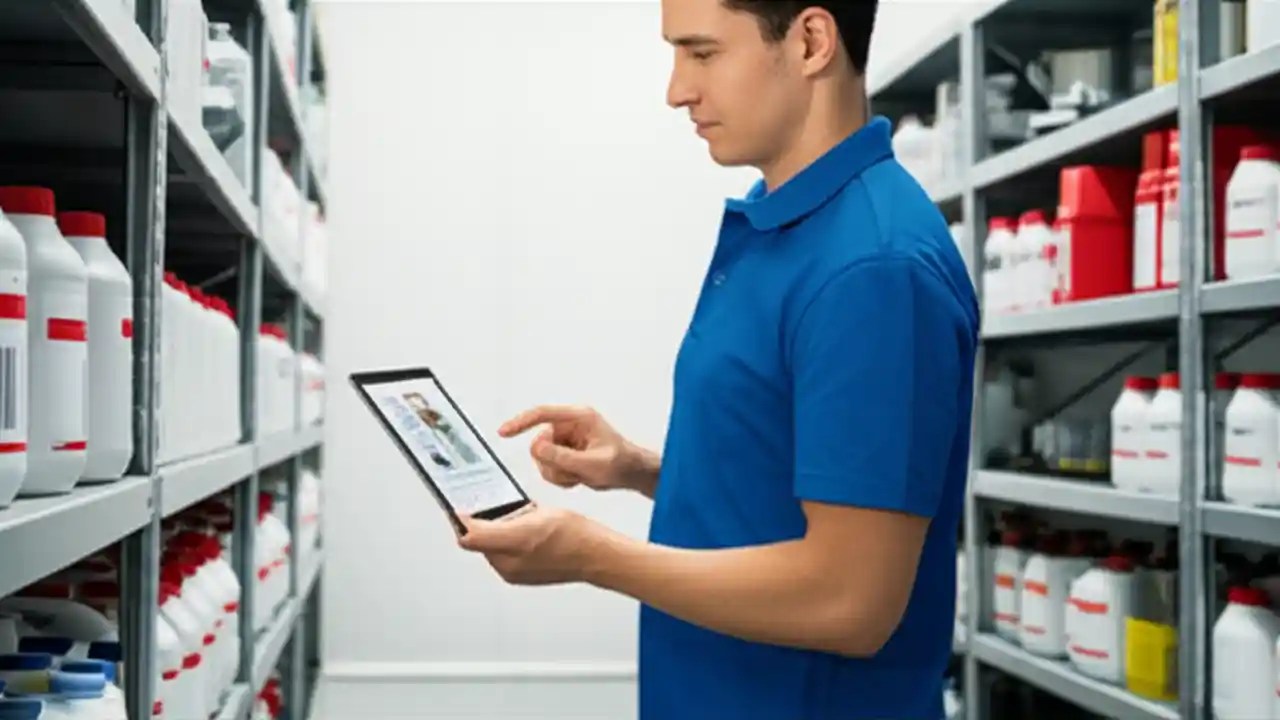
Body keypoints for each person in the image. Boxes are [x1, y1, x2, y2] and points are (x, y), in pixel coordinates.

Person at [457, 1, 978, 718]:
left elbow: (851, 599)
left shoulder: (874, 268)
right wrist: (637, 468)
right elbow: (802, 486)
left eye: (702, 54)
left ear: (811, 42)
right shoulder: (782, 219)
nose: (677, 89)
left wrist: (590, 555)